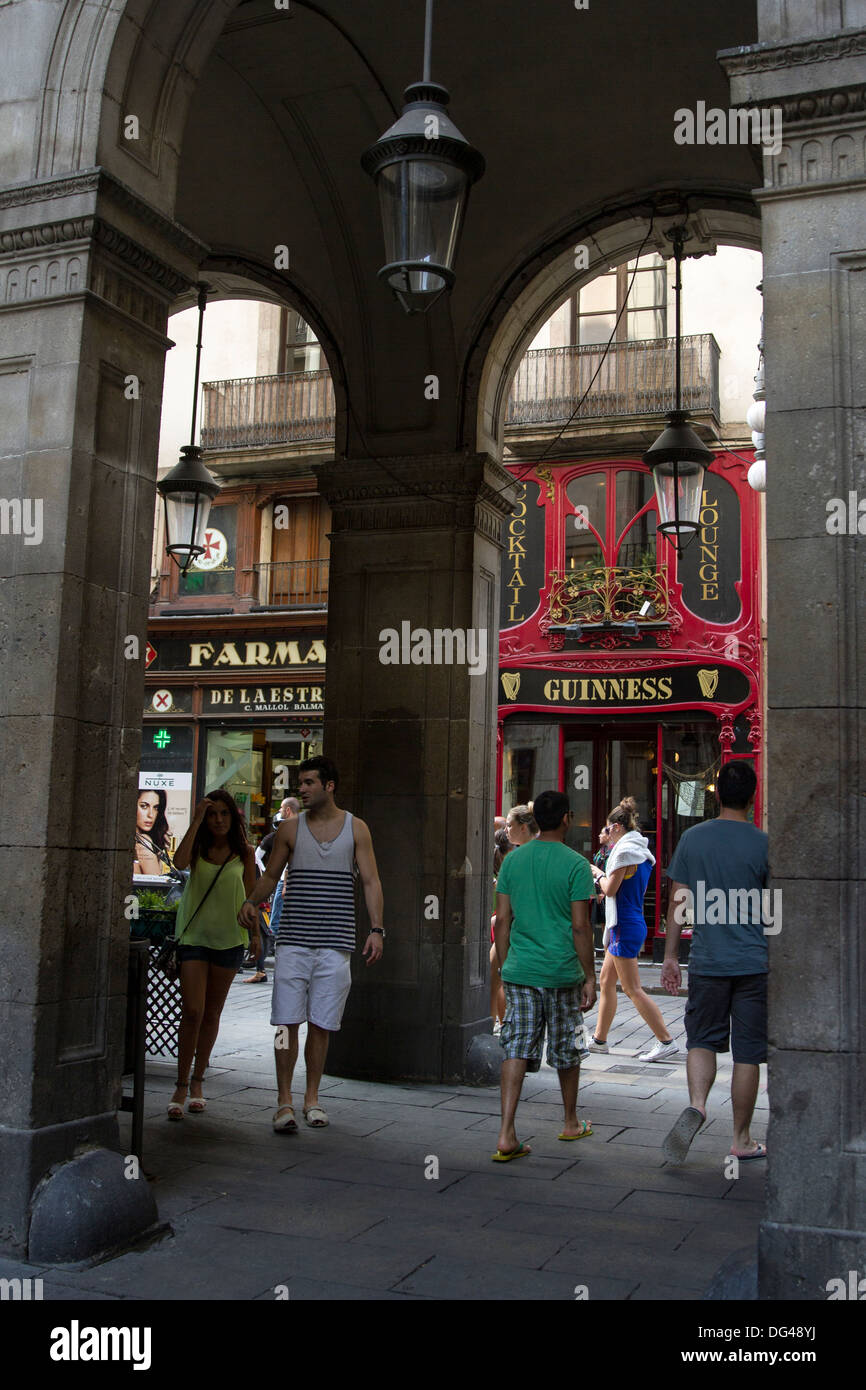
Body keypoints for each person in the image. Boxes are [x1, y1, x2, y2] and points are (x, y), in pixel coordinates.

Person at [239, 757, 384, 1133]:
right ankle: (284, 1101)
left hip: (335, 943)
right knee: (285, 1022)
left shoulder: (356, 828)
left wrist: (377, 929)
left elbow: (371, 881)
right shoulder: (290, 828)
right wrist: (251, 901)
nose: (301, 789)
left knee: (321, 1024)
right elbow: (272, 874)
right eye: (300, 783)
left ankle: (312, 1099)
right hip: (293, 942)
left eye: (308, 783)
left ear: (329, 786)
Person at [660, 762, 769, 1164]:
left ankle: (698, 1104)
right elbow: (774, 910)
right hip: (753, 962)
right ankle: (741, 1139)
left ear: (717, 794)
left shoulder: (694, 839)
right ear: (752, 797)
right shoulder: (764, 844)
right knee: (748, 1053)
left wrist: (671, 956)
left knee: (702, 1040)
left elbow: (678, 900)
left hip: (707, 961)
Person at [492, 789, 597, 1160]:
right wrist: (590, 976)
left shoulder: (513, 862)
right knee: (567, 1046)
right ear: (567, 819)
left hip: (521, 970)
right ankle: (570, 1122)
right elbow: (580, 927)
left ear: (536, 820)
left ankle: (506, 1133)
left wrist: (506, 964)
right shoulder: (576, 865)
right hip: (562, 970)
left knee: (515, 1046)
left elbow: (502, 921)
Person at [167, 789, 258, 1119]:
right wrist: (194, 821)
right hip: (194, 936)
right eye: (212, 814)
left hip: (230, 939)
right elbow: (178, 863)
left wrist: (256, 935)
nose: (218, 820)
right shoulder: (197, 848)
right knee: (192, 1010)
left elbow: (251, 896)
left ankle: (198, 1082)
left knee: (211, 1013)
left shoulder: (244, 852)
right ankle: (180, 1084)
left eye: (224, 813)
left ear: (233, 817)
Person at [588, 797, 677, 1062]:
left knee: (632, 988)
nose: (606, 833)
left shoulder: (625, 852)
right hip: (629, 921)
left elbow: (610, 889)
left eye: (608, 828)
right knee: (606, 982)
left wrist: (597, 874)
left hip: (623, 925)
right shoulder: (638, 850)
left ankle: (665, 1040)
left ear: (616, 827)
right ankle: (599, 1040)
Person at [245, 798, 300, 983]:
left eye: (282, 809)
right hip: (279, 882)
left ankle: (268, 963)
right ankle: (264, 967)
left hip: (283, 882)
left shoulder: (290, 836)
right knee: (274, 921)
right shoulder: (290, 835)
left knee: (273, 923)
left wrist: (277, 880)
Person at [133, 789, 172, 876]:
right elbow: (156, 881)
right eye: (144, 806)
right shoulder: (143, 841)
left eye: (156, 808)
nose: (151, 815)